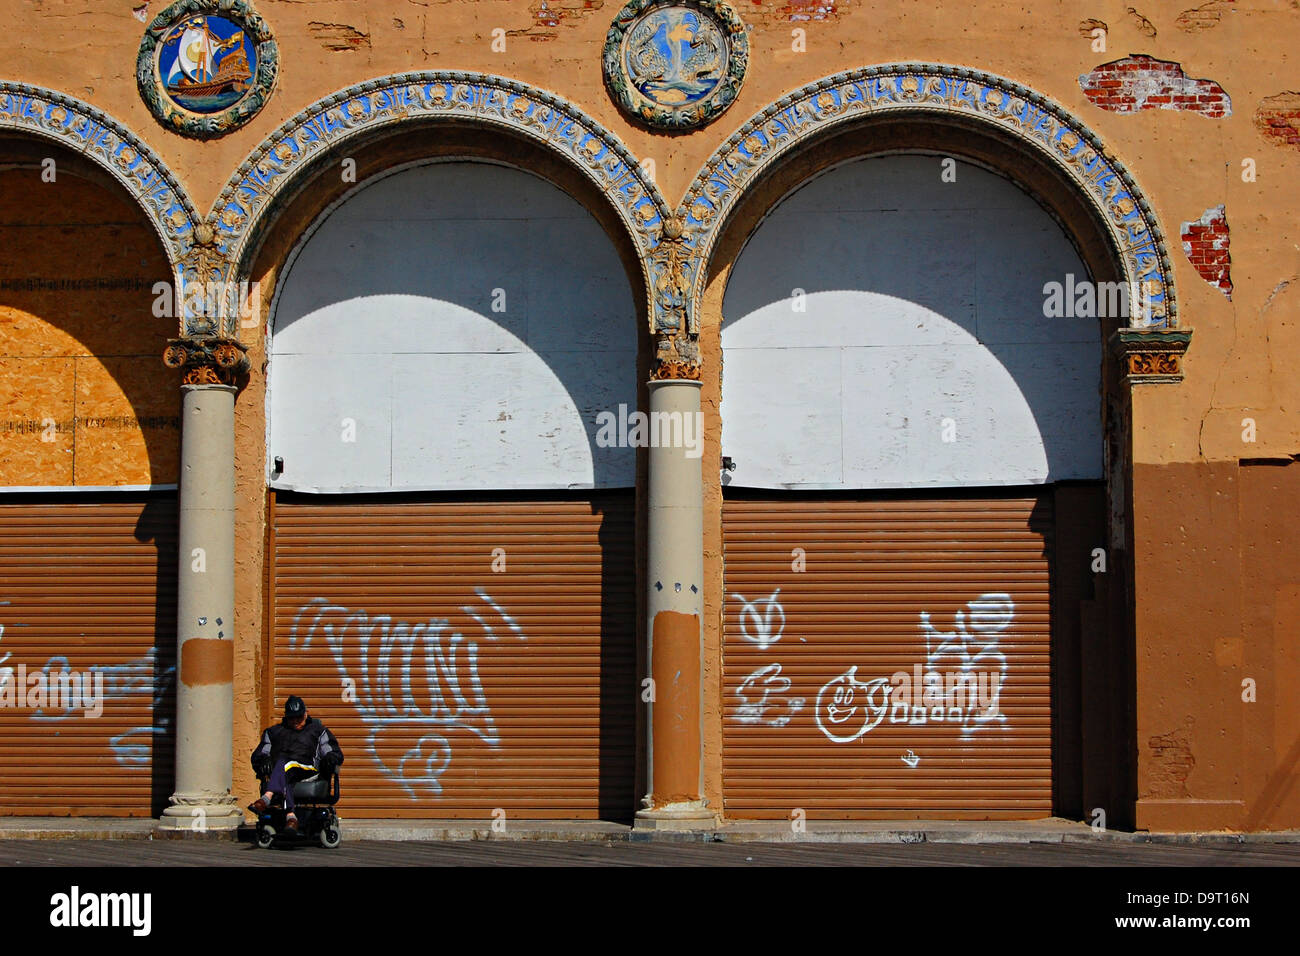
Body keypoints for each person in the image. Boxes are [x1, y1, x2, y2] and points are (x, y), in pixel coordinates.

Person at [248, 695, 344, 833]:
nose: (295, 721)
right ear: (286, 717)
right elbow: (261, 753)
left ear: (306, 714)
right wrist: (262, 760)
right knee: (284, 769)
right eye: (291, 718)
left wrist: (330, 758)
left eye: (299, 717)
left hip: (309, 771)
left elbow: (331, 751)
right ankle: (291, 817)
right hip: (284, 774)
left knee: (284, 763)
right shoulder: (273, 732)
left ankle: (267, 797)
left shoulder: (318, 731)